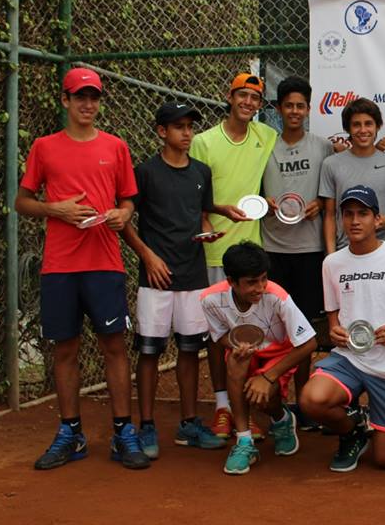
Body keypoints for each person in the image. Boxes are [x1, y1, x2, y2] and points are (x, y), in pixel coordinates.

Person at [16, 68, 149, 470]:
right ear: (65, 101)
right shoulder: (44, 147)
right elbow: (23, 201)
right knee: (66, 348)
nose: (88, 104)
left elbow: (129, 202)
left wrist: (118, 214)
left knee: (113, 345)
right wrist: (52, 208)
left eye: (93, 98)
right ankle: (70, 432)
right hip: (59, 266)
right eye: (80, 97)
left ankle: (123, 431)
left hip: (104, 262)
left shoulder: (116, 147)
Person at [121, 101, 248, 459]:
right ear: (162, 131)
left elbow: (202, 216)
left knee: (190, 350)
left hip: (193, 275)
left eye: (190, 126)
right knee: (149, 351)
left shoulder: (201, 172)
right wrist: (148, 256)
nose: (187, 133)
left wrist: (208, 232)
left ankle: (188, 423)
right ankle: (146, 425)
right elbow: (126, 222)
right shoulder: (144, 172)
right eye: (179, 127)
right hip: (156, 277)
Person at [301, 186, 385, 472]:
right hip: (350, 358)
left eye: (363, 214)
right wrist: (334, 328)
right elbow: (333, 309)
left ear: (377, 218)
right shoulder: (332, 262)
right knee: (313, 399)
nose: (355, 221)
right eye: (348, 214)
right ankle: (353, 430)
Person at [191, 72, 278, 440]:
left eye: (254, 98)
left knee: (253, 333)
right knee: (218, 337)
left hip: (252, 251)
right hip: (215, 252)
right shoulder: (203, 142)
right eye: (242, 95)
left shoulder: (266, 136)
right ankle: (222, 407)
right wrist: (210, 221)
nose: (248, 103)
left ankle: (249, 409)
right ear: (229, 97)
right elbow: (195, 196)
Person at [200, 241, 318, 475]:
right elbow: (220, 336)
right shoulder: (209, 299)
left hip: (279, 352)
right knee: (234, 363)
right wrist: (236, 348)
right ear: (231, 281)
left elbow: (309, 342)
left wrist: (268, 376)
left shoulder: (277, 297)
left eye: (263, 278)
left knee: (262, 395)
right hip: (247, 351)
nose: (260, 287)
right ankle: (244, 442)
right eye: (251, 282)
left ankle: (281, 418)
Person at [261, 76, 333, 421]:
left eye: (300, 105)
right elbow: (251, 189)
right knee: (274, 327)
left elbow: (333, 185)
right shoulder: (264, 146)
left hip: (309, 249)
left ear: (308, 108)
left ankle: (303, 400)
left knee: (305, 327)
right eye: (287, 105)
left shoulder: (323, 146)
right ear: (277, 108)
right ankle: (275, 397)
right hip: (272, 247)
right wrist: (263, 201)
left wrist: (320, 201)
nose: (294, 111)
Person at [319, 98, 385, 253]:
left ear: (378, 126)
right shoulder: (331, 164)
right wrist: (331, 256)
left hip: (384, 249)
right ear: (348, 128)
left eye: (368, 123)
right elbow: (330, 215)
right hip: (344, 250)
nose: (363, 130)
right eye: (356, 124)